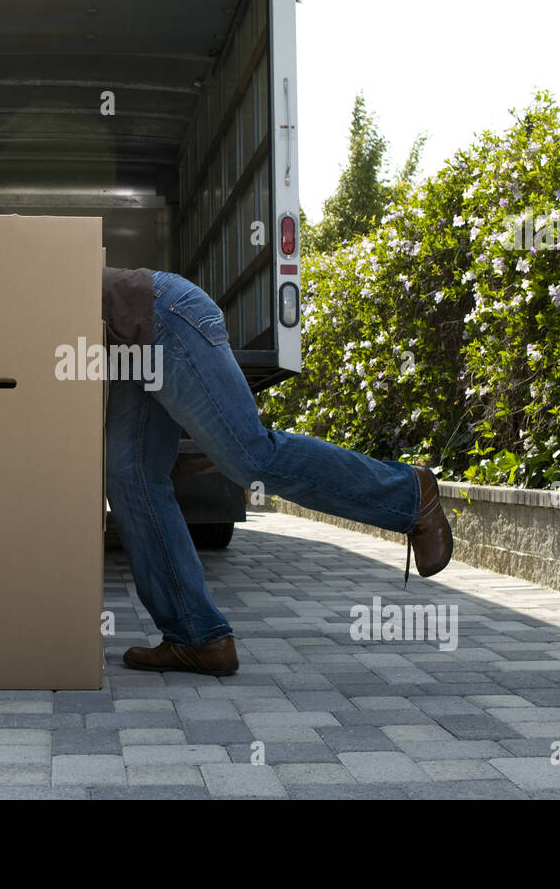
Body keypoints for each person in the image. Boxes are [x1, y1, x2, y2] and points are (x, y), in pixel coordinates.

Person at [102, 266, 453, 677]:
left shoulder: (11, 274)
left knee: (249, 456)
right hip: (129, 346)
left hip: (163, 314)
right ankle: (196, 637)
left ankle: (409, 494)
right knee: (130, 477)